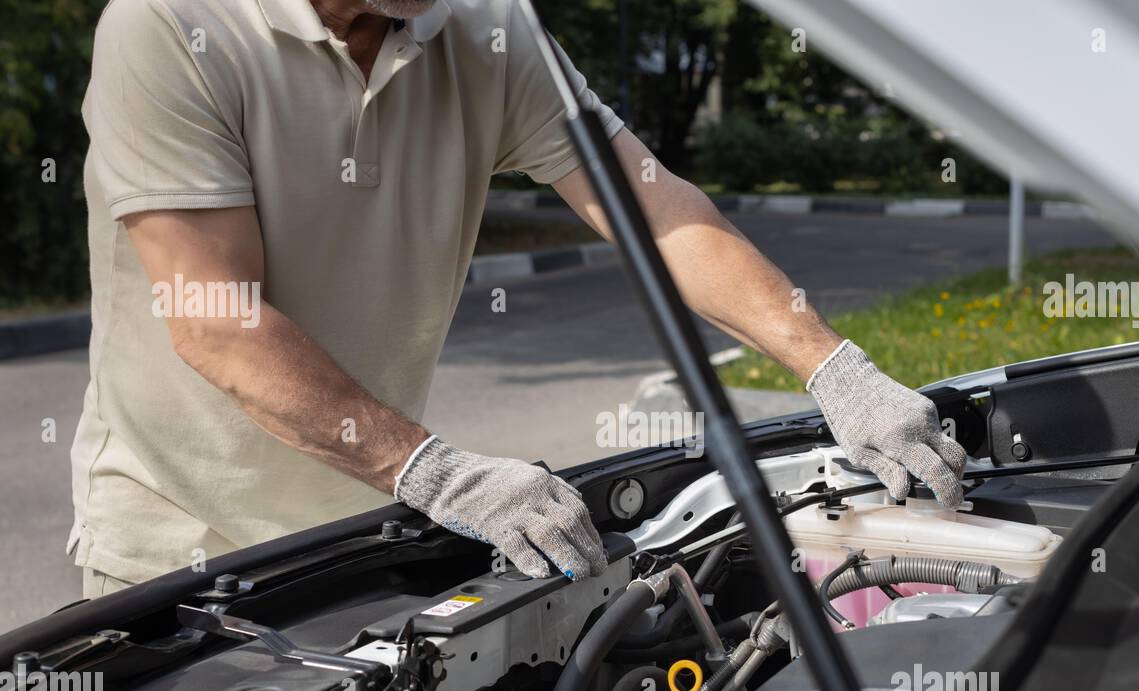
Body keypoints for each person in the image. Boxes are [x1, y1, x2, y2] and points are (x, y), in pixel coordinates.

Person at [71, 0, 965, 598]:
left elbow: (651, 205)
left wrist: (836, 370)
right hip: (179, 552)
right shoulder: (168, 25)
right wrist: (440, 473)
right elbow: (216, 320)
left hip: (372, 531)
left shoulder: (487, 26)